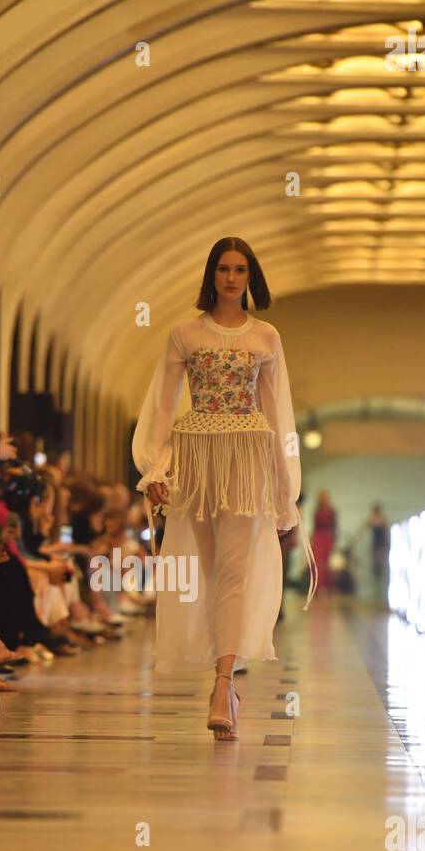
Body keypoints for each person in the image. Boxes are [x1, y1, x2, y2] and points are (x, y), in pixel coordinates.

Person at [132, 236, 316, 741]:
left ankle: (221, 684)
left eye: (240, 269)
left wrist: (286, 486)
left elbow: (280, 415)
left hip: (247, 460)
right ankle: (226, 682)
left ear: (251, 276)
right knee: (209, 570)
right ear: (211, 275)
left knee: (234, 570)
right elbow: (162, 406)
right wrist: (155, 470)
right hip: (196, 459)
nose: (231, 278)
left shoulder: (267, 337)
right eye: (223, 269)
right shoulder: (183, 334)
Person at [311, 490, 337, 593]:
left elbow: (335, 527)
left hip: (327, 537)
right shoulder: (316, 511)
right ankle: (318, 587)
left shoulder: (332, 511)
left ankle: (328, 587)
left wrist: (334, 540)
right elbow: (315, 526)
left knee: (328, 563)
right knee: (318, 562)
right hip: (318, 536)